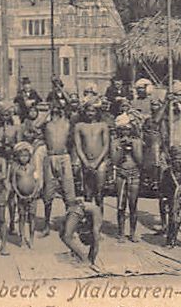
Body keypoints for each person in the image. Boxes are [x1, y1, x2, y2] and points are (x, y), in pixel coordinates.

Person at [42, 104, 76, 236]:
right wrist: (48, 111)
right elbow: (36, 125)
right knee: (48, 194)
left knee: (69, 194)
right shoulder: (47, 124)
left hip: (64, 158)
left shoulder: (67, 123)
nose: (57, 108)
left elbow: (73, 109)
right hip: (50, 158)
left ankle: (69, 226)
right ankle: (46, 225)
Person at [74, 103, 110, 211]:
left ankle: (98, 223)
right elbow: (78, 147)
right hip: (86, 162)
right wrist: (86, 162)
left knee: (99, 194)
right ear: (84, 112)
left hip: (100, 162)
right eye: (88, 111)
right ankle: (89, 222)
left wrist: (97, 162)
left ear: (96, 112)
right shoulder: (79, 126)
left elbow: (106, 145)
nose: (90, 113)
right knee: (87, 194)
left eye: (93, 111)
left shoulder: (103, 125)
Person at [114, 114, 143, 242]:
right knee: (121, 205)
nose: (125, 131)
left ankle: (132, 232)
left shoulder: (137, 142)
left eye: (128, 129)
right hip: (121, 173)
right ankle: (121, 233)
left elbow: (140, 160)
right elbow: (115, 160)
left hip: (134, 173)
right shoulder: (115, 142)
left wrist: (133, 148)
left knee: (133, 204)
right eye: (123, 129)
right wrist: (121, 148)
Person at [0, 103, 19, 234]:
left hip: (11, 162)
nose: (5, 117)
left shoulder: (15, 129)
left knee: (12, 195)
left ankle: (12, 224)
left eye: (7, 115)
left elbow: (20, 145)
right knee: (0, 195)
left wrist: (12, 146)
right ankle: (0, 224)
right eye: (3, 115)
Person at [10, 141, 41, 247]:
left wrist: (33, 194)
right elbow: (14, 183)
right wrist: (19, 194)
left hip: (32, 197)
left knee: (32, 217)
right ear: (18, 157)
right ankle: (22, 237)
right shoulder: (15, 169)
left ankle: (31, 238)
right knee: (22, 216)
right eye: (21, 156)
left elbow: (37, 181)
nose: (24, 158)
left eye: (26, 156)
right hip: (21, 197)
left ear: (29, 157)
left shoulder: (33, 168)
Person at [61, 197, 103, 267]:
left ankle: (84, 259)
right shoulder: (96, 216)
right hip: (77, 208)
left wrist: (91, 259)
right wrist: (91, 260)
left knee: (66, 236)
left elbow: (96, 241)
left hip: (76, 209)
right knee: (66, 236)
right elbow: (96, 241)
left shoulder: (95, 219)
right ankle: (85, 259)